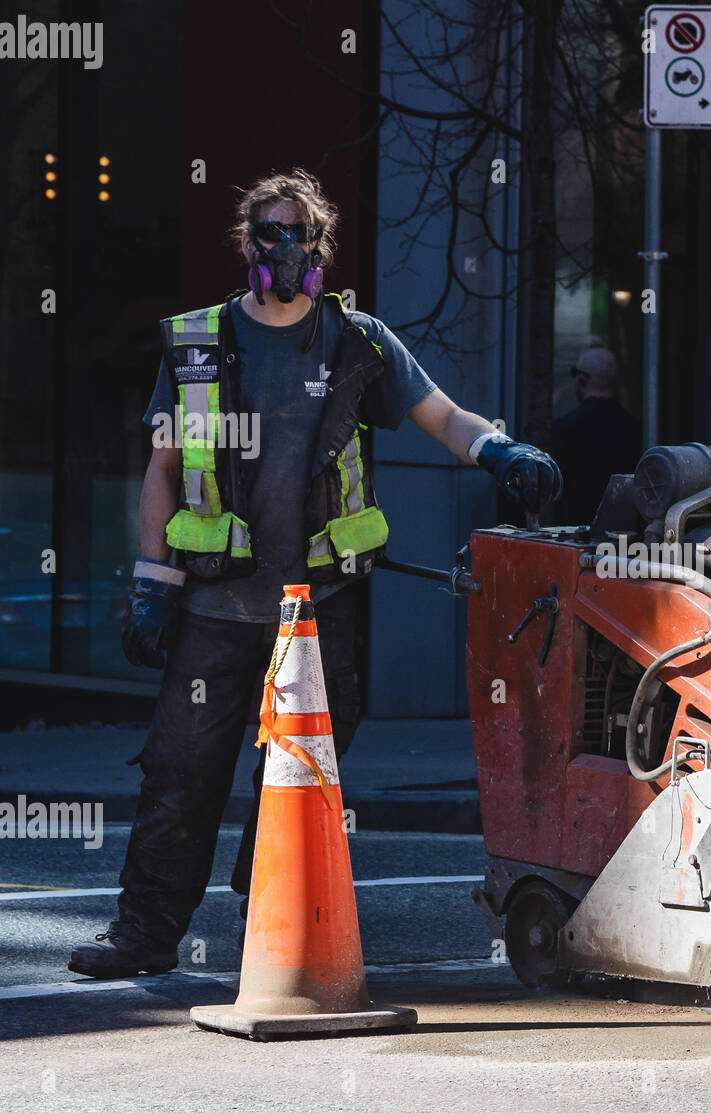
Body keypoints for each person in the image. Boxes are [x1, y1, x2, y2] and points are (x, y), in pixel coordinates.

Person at [70, 169, 560, 978]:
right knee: (179, 774)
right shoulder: (198, 345)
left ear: (318, 245)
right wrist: (152, 583)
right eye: (267, 231)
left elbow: (442, 414)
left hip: (315, 612)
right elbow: (161, 467)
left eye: (296, 232)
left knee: (298, 780)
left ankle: (277, 925)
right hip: (216, 612)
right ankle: (145, 934)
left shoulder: (356, 341)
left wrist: (499, 450)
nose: (282, 247)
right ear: (247, 243)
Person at [549, 345, 643, 525]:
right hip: (623, 532)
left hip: (574, 532)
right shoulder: (637, 430)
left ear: (583, 379)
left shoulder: (565, 428)